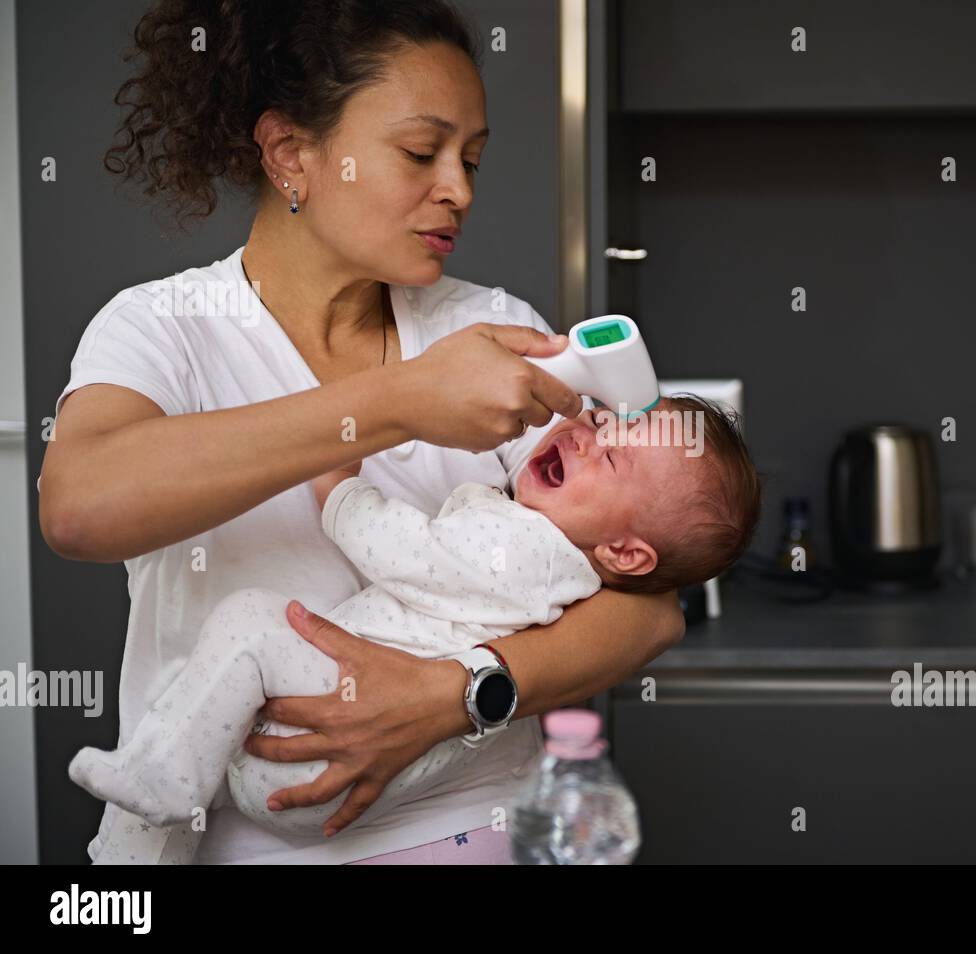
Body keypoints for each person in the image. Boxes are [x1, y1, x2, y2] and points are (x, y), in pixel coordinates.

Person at [39, 0, 686, 864]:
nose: (457, 188)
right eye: (421, 152)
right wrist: (400, 401)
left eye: (472, 160)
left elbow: (648, 613)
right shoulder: (164, 328)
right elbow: (81, 507)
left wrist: (457, 693)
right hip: (239, 838)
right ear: (291, 154)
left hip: (472, 824)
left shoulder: (495, 329)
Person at [67, 398, 762, 863]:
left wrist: (340, 492)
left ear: (626, 555)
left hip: (327, 752)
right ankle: (143, 818)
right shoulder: (561, 559)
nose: (582, 434)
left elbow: (410, 556)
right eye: (601, 422)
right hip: (313, 776)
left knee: (247, 624)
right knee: (192, 732)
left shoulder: (533, 552)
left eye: (610, 457)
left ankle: (152, 802)